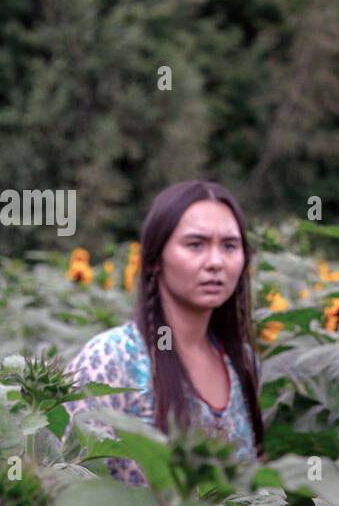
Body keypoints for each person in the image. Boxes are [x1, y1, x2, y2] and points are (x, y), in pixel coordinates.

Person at [63, 180, 267, 486]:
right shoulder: (112, 359)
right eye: (195, 244)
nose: (215, 263)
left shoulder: (242, 362)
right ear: (156, 259)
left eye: (229, 246)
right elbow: (66, 482)